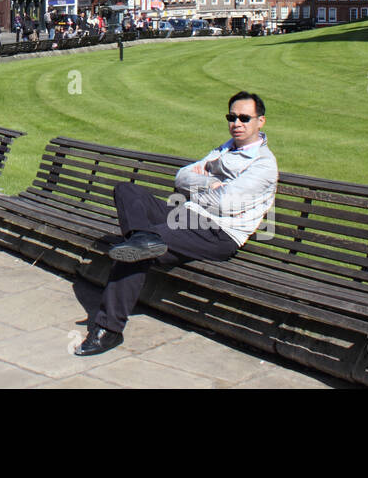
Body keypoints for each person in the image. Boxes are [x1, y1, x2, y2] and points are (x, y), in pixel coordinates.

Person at [75, 91, 279, 356]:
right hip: (187, 215)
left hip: (219, 233)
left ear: (260, 121)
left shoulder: (263, 164)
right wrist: (210, 183)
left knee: (135, 251)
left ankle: (109, 330)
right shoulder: (225, 148)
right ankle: (142, 238)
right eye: (232, 117)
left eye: (244, 118)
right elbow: (182, 178)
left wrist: (209, 181)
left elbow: (226, 204)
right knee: (127, 191)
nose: (236, 123)